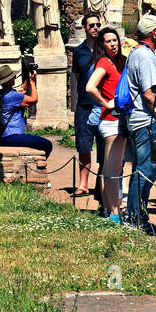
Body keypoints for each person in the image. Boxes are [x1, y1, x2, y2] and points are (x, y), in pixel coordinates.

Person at [124, 13, 156, 235]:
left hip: (142, 120)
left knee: (145, 168)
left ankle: (137, 214)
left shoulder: (139, 54)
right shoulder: (145, 57)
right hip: (147, 121)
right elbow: (149, 94)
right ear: (154, 33)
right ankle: (135, 217)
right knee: (146, 168)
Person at [86, 26, 129, 222]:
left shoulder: (117, 62)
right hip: (111, 120)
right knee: (113, 170)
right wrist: (106, 103)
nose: (113, 44)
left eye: (115, 40)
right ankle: (114, 213)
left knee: (110, 169)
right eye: (108, 41)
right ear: (102, 45)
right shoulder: (104, 62)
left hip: (115, 120)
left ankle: (108, 210)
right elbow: (90, 87)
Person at [71, 13, 103, 200]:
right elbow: (78, 77)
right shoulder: (78, 52)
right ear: (84, 28)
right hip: (84, 104)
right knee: (83, 145)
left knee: (103, 145)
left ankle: (101, 183)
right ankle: (83, 184)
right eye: (91, 25)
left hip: (102, 104)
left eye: (98, 24)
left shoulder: (105, 49)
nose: (95, 28)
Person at [0, 64, 53, 158]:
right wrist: (33, 83)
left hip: (4, 136)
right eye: (13, 77)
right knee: (46, 144)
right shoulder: (12, 96)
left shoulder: (3, 94)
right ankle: (38, 168)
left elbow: (22, 88)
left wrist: (28, 80)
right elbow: (33, 100)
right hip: (13, 136)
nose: (14, 78)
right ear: (9, 80)